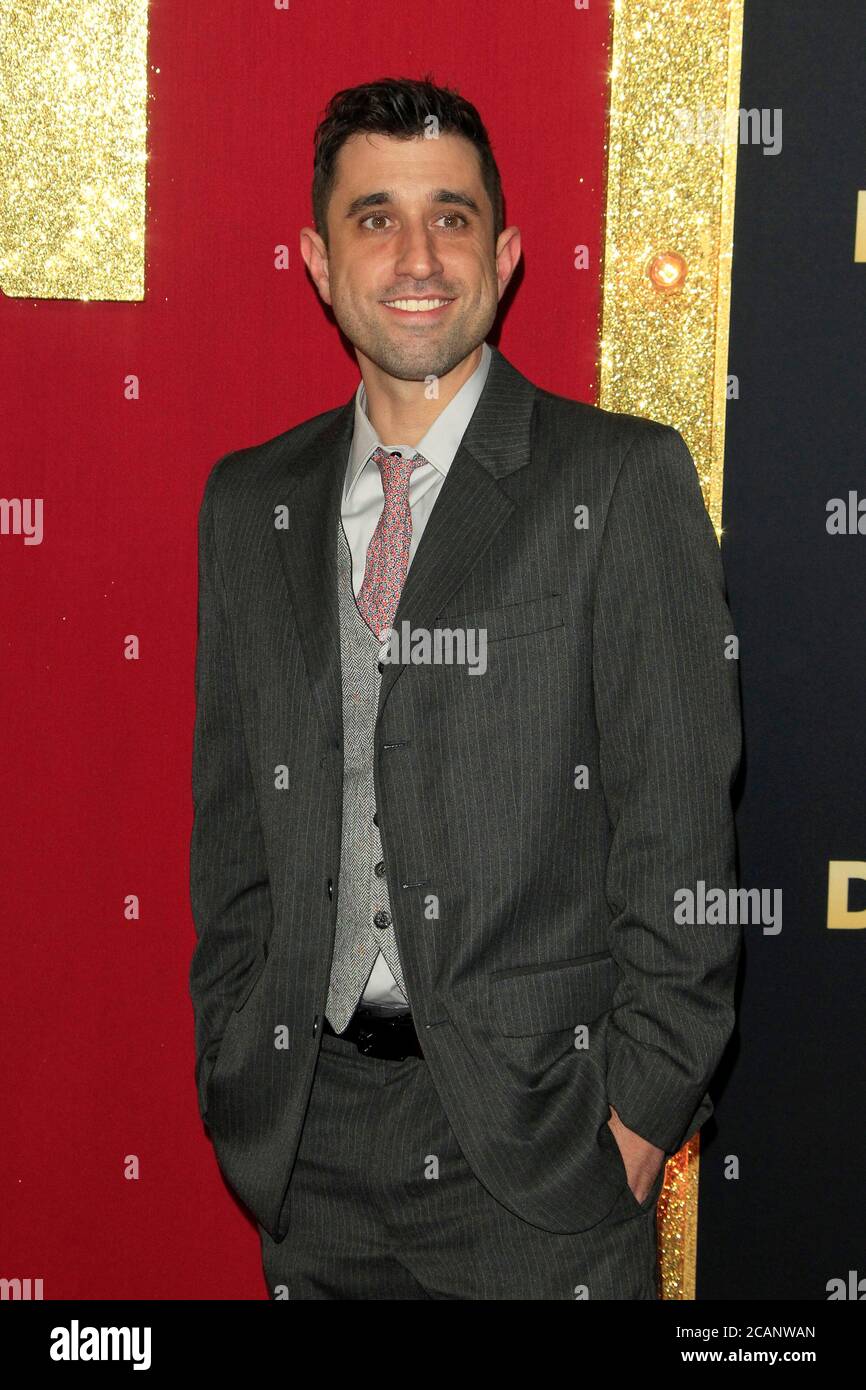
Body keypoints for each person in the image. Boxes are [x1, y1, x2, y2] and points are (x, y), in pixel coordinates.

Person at [189, 76, 743, 1300]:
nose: (415, 253)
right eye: (373, 217)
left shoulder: (618, 482)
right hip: (309, 1141)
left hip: (537, 1153)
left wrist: (638, 1116)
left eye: (450, 215)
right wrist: (238, 1045)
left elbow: (680, 835)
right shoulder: (248, 506)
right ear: (318, 264)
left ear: (502, 252)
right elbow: (232, 827)